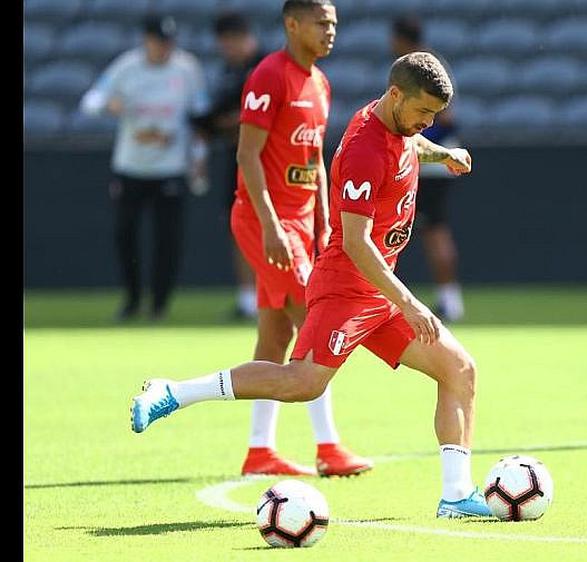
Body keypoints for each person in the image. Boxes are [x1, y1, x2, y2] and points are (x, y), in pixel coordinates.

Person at [131, 49, 492, 518]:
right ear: (396, 94)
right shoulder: (364, 147)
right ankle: (173, 392)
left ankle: (456, 495)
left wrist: (443, 153)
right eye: (423, 111)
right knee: (300, 383)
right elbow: (359, 244)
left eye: (436, 115)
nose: (428, 122)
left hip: (378, 293)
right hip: (347, 287)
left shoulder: (398, 125)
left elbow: (410, 146)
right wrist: (408, 303)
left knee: (460, 370)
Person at [206, 0, 372, 477]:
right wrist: (273, 225)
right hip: (267, 222)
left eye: (334, 24)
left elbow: (315, 157)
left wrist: (323, 218)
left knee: (276, 333)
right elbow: (248, 156)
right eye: (321, 23)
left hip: (301, 224)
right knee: (317, 324)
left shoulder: (319, 83)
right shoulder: (268, 75)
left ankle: (260, 451)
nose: (330, 32)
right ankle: (329, 447)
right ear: (291, 23)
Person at [80, 14, 210, 322]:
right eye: (158, 41)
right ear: (146, 40)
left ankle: (159, 304)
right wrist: (109, 106)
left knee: (168, 240)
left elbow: (200, 114)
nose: (163, 48)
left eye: (168, 42)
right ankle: (132, 298)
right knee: (125, 235)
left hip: (171, 167)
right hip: (131, 166)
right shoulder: (126, 67)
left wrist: (198, 158)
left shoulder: (187, 68)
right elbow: (92, 100)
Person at [390, 15, 465, 322]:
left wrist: (410, 138)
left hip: (429, 167)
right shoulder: (431, 63)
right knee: (428, 231)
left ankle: (450, 299)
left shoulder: (422, 68)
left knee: (433, 231)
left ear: (399, 39)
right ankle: (448, 298)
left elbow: (447, 121)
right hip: (425, 164)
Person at [195, 11, 266, 321]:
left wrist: (236, 120)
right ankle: (248, 299)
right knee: (240, 227)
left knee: (271, 226)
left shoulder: (266, 67)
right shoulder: (229, 71)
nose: (227, 50)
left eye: (229, 43)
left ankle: (273, 297)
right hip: (237, 159)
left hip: (267, 161)